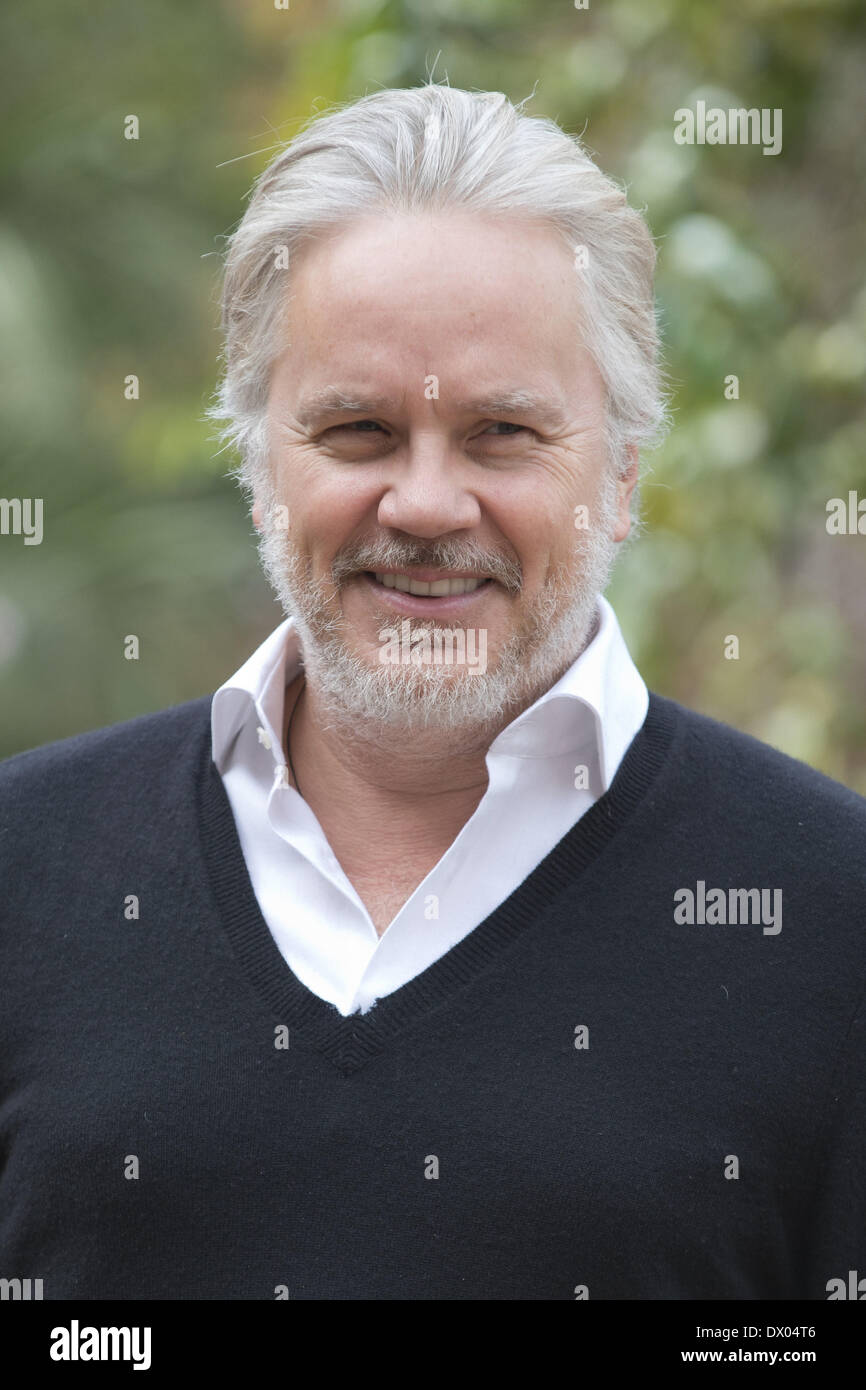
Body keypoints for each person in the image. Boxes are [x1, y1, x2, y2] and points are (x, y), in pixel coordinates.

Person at [1, 83, 864, 1302]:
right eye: (354, 430)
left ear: (619, 476)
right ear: (258, 469)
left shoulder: (830, 915)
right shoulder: (20, 870)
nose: (422, 505)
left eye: (503, 432)